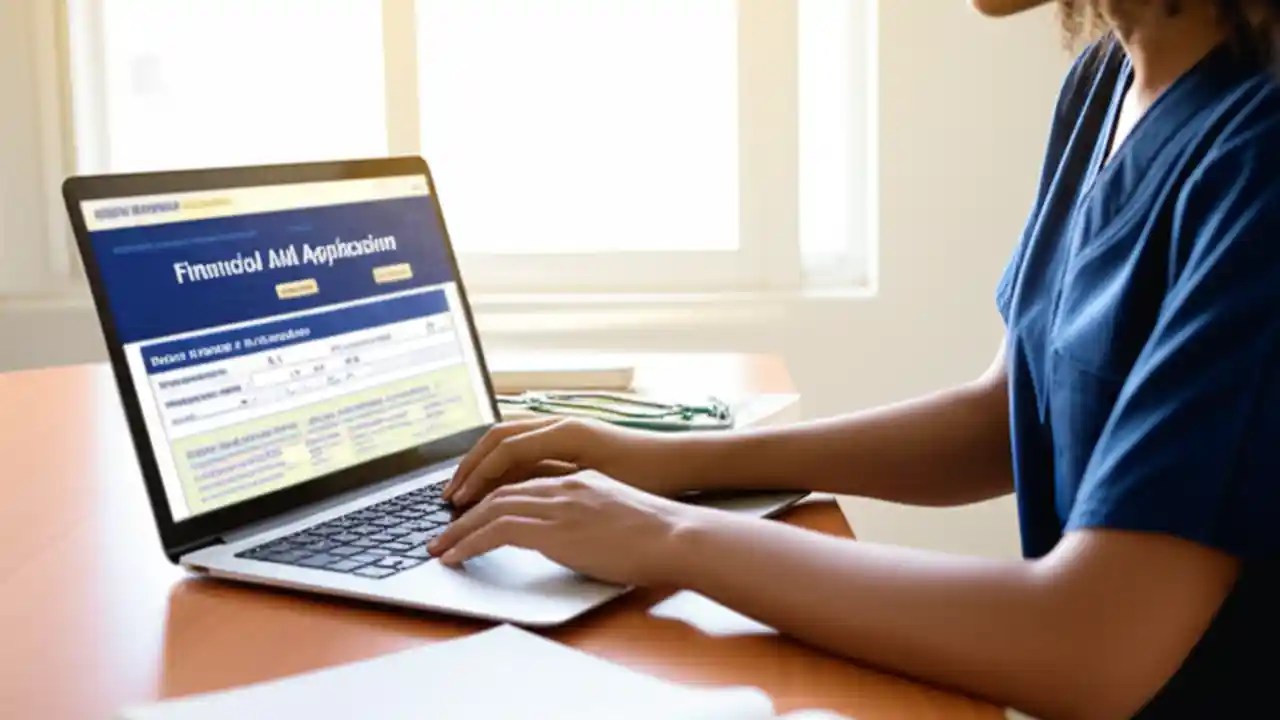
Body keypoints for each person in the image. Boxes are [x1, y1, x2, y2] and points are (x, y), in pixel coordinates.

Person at [429, 1, 1280, 717]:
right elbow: (1009, 415)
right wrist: (675, 463)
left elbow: (1094, 641)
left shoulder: (1258, 155)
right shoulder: (1106, 83)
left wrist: (669, 536)